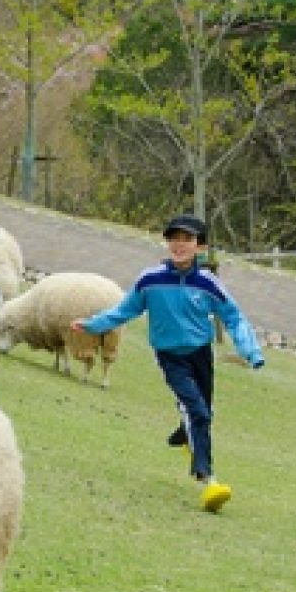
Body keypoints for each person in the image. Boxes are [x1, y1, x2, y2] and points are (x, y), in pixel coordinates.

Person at [70, 214, 264, 513]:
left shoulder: (208, 284)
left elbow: (234, 317)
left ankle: (184, 435)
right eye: (174, 238)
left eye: (187, 239)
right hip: (170, 357)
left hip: (200, 353)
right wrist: (94, 325)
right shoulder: (150, 279)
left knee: (204, 412)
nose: (179, 244)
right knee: (196, 410)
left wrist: (251, 352)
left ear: (200, 247)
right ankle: (209, 480)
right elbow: (125, 310)